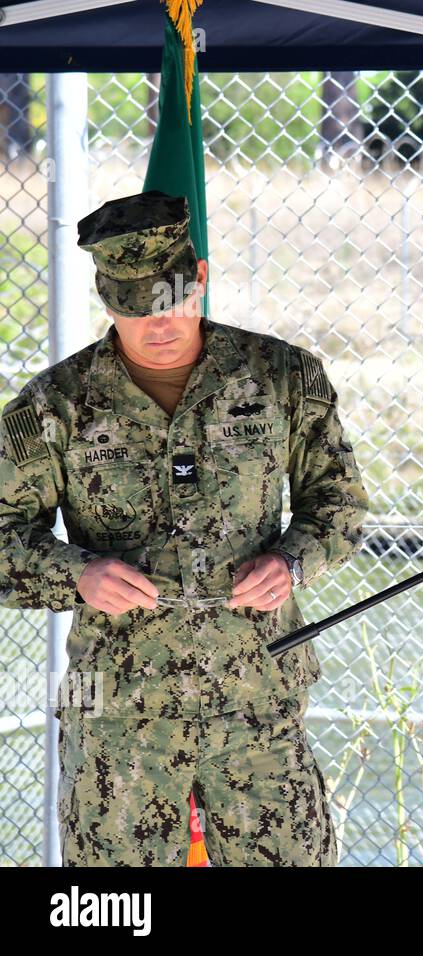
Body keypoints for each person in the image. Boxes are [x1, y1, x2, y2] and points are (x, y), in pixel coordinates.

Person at [0, 190, 369, 865]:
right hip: (119, 716)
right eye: (135, 310)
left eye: (170, 302)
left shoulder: (283, 378)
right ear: (107, 302)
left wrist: (293, 563)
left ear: (199, 277)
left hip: (257, 701)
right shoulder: (55, 405)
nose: (158, 324)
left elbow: (339, 507)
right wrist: (77, 575)